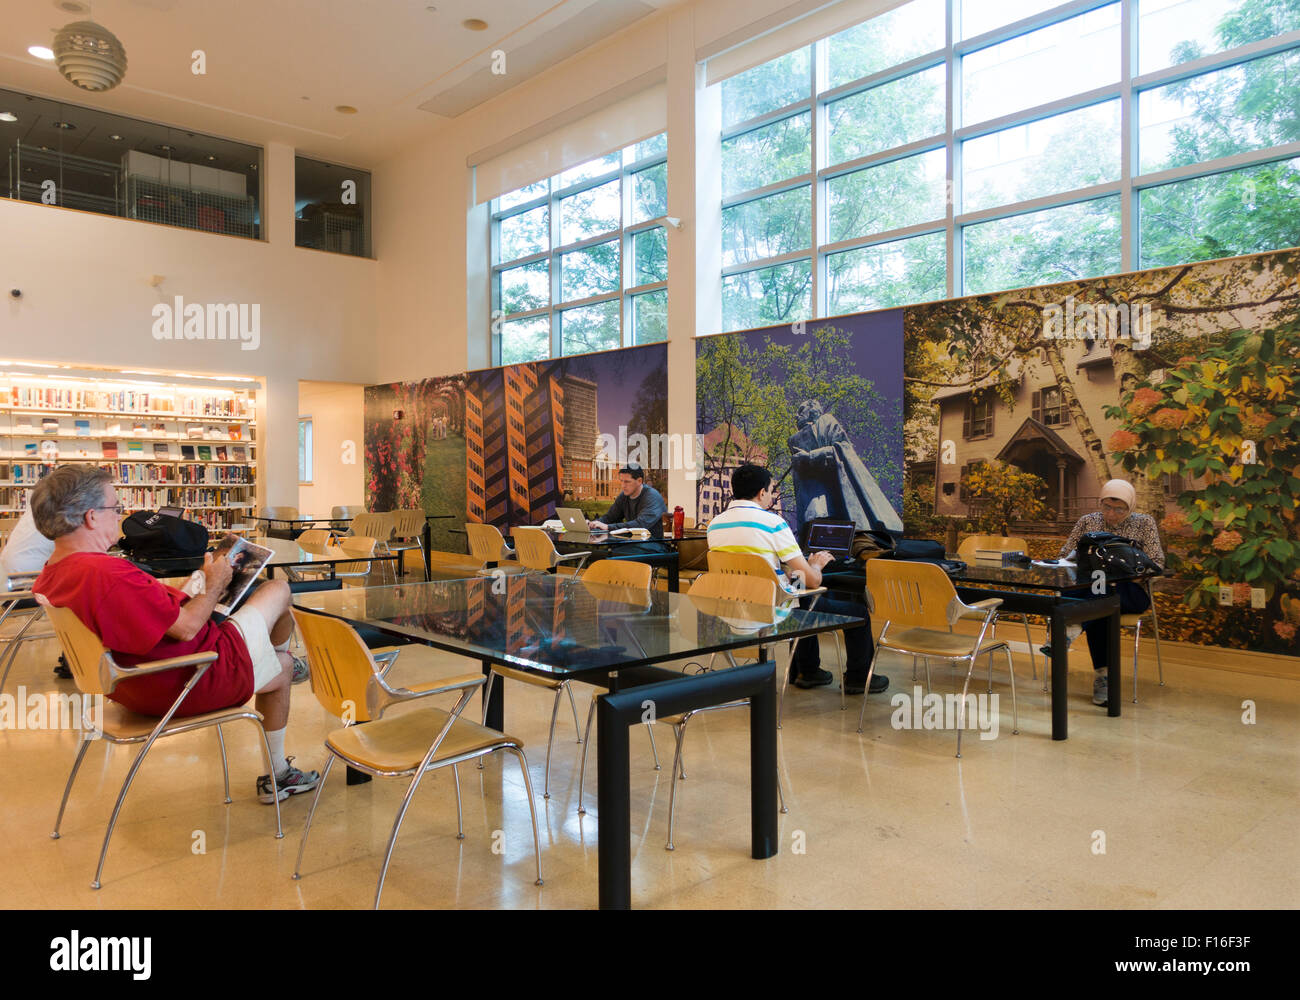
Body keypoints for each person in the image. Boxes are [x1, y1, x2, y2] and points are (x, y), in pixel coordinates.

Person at [30, 465, 319, 804]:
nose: (120, 515)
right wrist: (214, 585)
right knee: (280, 591)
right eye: (115, 508)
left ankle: (278, 664)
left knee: (261, 621)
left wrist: (200, 582)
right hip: (187, 677)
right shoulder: (108, 574)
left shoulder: (54, 573)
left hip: (130, 685)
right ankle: (278, 774)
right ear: (91, 517)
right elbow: (186, 628)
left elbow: (157, 613)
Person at [707, 463, 888, 696]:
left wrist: (783, 572)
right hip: (772, 613)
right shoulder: (772, 523)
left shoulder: (714, 525)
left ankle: (806, 671)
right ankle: (859, 678)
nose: (771, 496)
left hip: (732, 610)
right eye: (771, 491)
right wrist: (815, 564)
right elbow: (813, 581)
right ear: (762, 493)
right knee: (854, 610)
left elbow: (747, 565)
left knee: (800, 592)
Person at [1046, 478, 1164, 707]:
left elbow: (1157, 562)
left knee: (1102, 593)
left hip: (1131, 593)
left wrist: (1128, 569)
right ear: (1100, 503)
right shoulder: (1088, 521)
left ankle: (1071, 629)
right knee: (1099, 605)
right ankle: (1103, 678)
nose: (1111, 514)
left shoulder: (1144, 523)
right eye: (1107, 507)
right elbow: (1066, 554)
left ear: (1130, 506)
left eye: (1119, 509)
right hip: (1093, 590)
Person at [0, 505, 70, 678]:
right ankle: (78, 662)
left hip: (10, 587)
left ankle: (70, 661)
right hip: (21, 592)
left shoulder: (40, 508)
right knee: (82, 597)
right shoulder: (62, 513)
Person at [589, 463, 666, 538]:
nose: (623, 486)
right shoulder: (624, 496)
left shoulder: (652, 496)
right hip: (633, 541)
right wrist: (593, 524)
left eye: (627, 482)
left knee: (612, 549)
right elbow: (610, 517)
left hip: (653, 543)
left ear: (639, 481)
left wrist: (608, 527)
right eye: (621, 481)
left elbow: (640, 525)